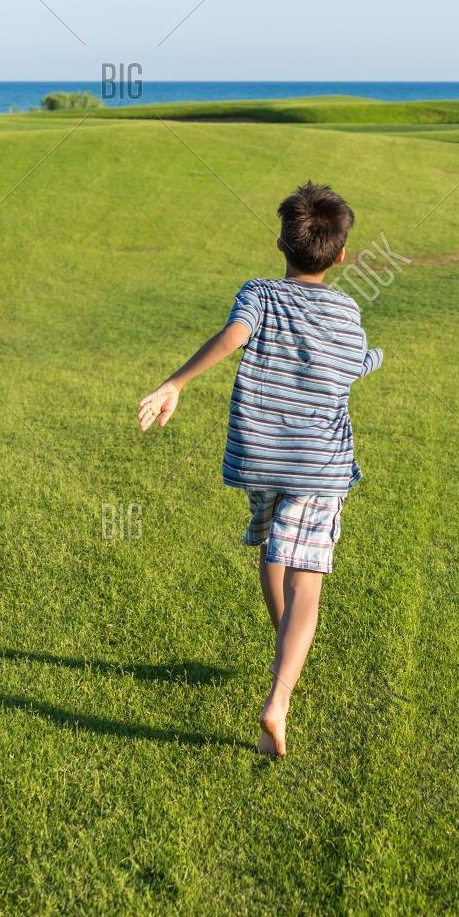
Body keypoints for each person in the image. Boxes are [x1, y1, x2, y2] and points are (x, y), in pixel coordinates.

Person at [137, 182, 383, 756]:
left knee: (274, 550)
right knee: (307, 582)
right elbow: (350, 365)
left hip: (262, 456)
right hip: (319, 465)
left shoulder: (260, 293)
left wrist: (176, 382)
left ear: (280, 243)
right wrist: (374, 358)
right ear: (342, 254)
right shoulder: (348, 310)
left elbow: (235, 336)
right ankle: (280, 697)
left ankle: (284, 647)